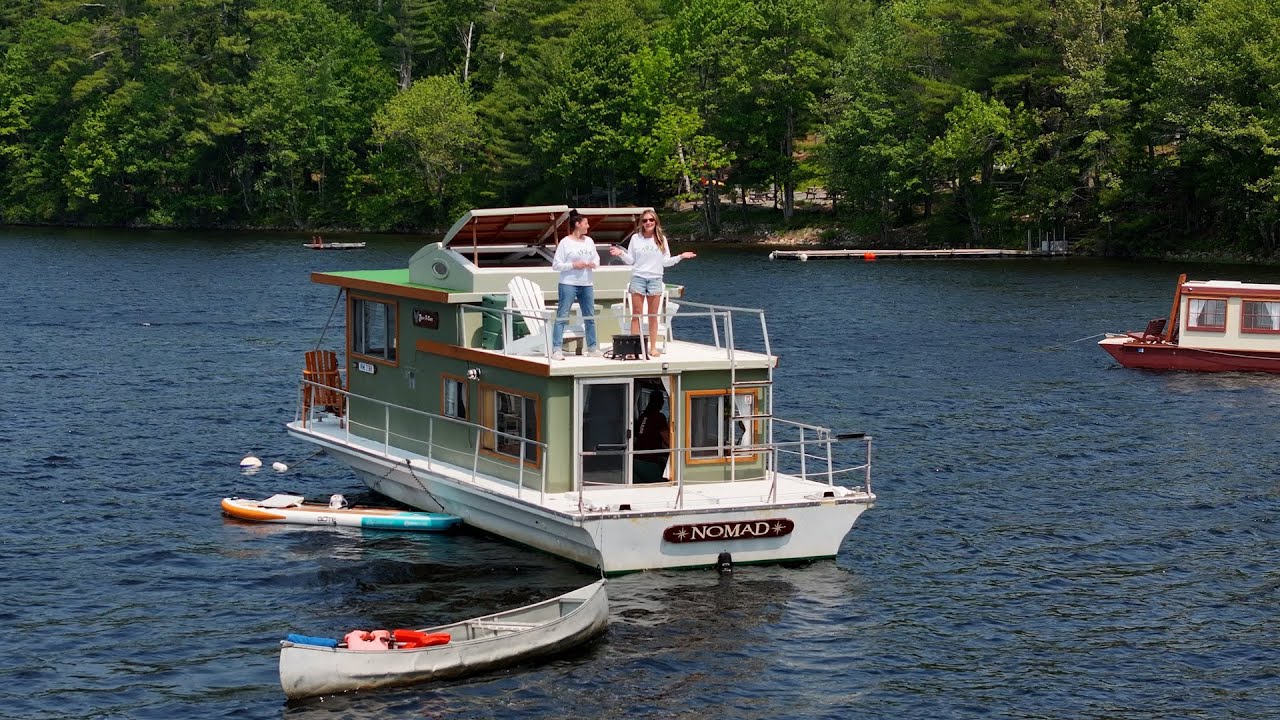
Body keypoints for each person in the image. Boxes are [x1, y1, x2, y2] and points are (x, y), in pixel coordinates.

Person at [609, 210, 695, 356]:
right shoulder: (636, 238)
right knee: (636, 314)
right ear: (641, 223)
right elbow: (631, 260)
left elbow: (665, 262)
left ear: (656, 222)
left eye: (651, 220)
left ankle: (653, 348)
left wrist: (680, 257)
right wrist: (621, 253)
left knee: (653, 315)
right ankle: (634, 348)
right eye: (645, 220)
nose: (648, 223)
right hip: (638, 278)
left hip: (655, 279)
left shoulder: (661, 239)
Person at [550, 209, 601, 360]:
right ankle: (556, 349)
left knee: (589, 316)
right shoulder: (565, 243)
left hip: (586, 283)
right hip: (568, 283)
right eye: (586, 223)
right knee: (562, 315)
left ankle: (592, 347)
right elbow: (556, 265)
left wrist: (593, 264)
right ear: (578, 224)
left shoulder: (589, 241)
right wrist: (573, 265)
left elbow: (597, 258)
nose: (588, 226)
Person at [633, 393, 670, 483]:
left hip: (635, 460)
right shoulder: (659, 417)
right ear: (661, 403)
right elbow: (668, 440)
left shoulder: (643, 416)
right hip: (648, 461)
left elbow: (644, 436)